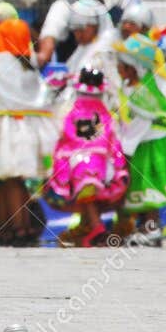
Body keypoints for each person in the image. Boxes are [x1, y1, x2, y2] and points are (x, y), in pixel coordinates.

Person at [0, 17, 58, 244]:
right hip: (30, 130)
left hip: (5, 131)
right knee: (20, 182)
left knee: (10, 181)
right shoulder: (28, 62)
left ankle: (18, 228)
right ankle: (24, 226)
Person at [47, 68, 128, 246]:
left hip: (78, 162)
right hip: (101, 161)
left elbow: (63, 135)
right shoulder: (106, 113)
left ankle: (96, 227)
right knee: (92, 192)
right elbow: (113, 139)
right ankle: (90, 226)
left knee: (87, 191)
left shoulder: (70, 111)